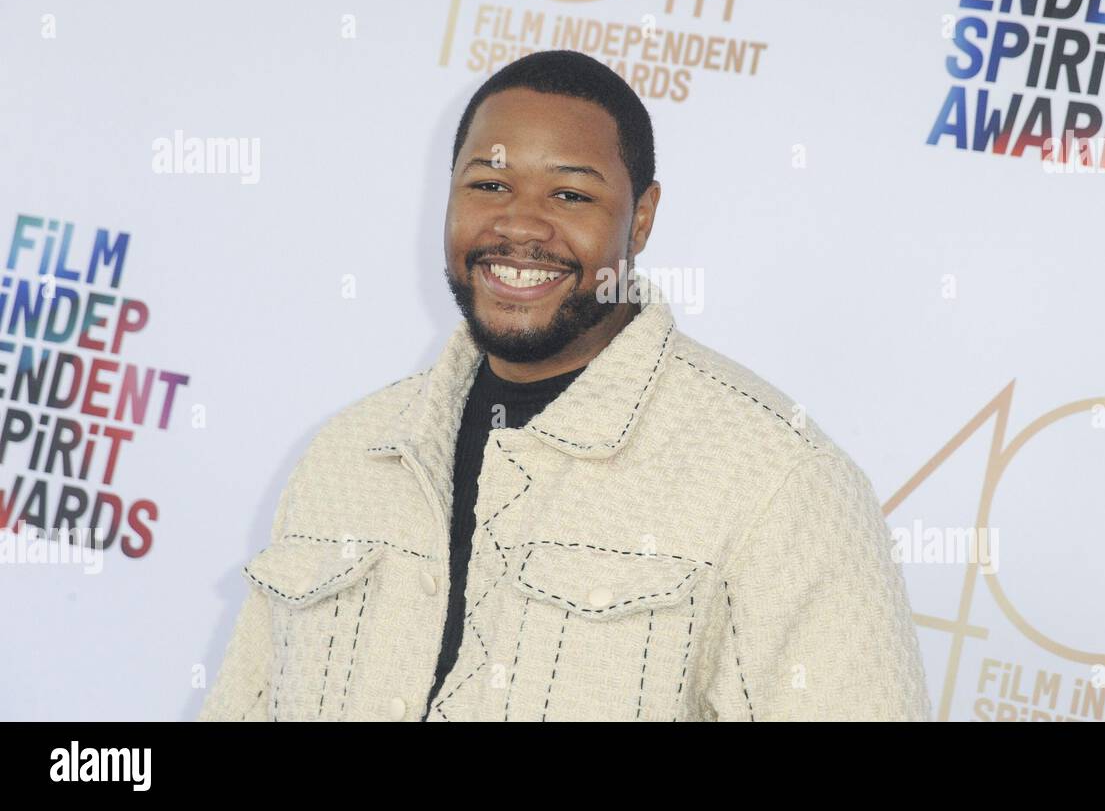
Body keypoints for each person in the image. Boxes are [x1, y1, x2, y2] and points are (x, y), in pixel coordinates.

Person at [198, 49, 931, 721]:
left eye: (571, 196)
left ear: (640, 219)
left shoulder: (778, 481)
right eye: (489, 184)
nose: (521, 224)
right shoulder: (347, 454)